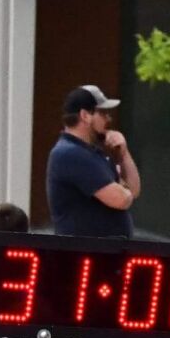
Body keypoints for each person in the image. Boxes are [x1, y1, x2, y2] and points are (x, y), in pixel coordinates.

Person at [46, 85, 140, 238]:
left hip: (106, 253)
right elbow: (120, 199)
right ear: (85, 115)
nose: (108, 118)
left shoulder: (92, 153)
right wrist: (124, 191)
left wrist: (123, 153)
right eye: (103, 113)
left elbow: (133, 191)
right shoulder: (70, 154)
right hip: (86, 253)